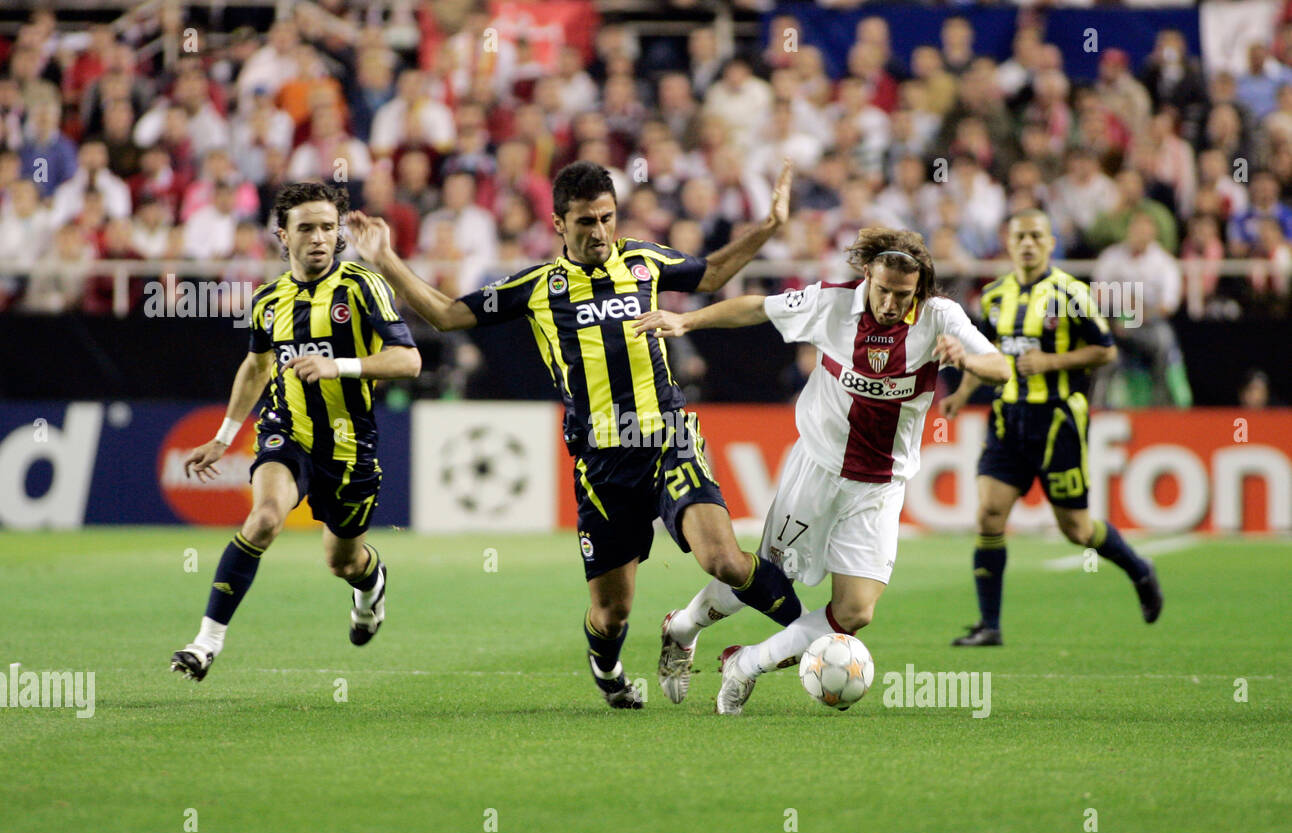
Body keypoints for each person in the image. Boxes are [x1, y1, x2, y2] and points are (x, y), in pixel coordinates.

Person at [346, 160, 804, 709]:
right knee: (612, 613)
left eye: (607, 218)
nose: (600, 232)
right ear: (559, 224)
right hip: (602, 463)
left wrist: (770, 226)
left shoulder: (644, 259)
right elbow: (446, 315)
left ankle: (810, 631)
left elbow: (710, 276)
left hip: (668, 438)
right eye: (586, 221)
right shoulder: (537, 286)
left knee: (724, 559)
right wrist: (385, 259)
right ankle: (608, 669)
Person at [634, 227, 1011, 714]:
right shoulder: (832, 304)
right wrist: (687, 322)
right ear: (867, 276)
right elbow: (756, 307)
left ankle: (745, 664)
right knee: (766, 580)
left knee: (855, 612)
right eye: (883, 290)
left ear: (918, 287)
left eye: (903, 294)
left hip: (879, 485)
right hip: (817, 468)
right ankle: (683, 626)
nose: (892, 303)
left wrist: (970, 359)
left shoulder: (941, 317)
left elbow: (1002, 365)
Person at [170, 182, 422, 681]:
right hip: (287, 431)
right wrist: (224, 435)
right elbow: (256, 366)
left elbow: (409, 360)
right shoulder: (268, 300)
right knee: (264, 519)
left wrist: (339, 366)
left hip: (350, 445)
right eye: (306, 228)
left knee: (343, 562)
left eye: (328, 227)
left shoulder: (362, 287)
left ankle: (371, 589)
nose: (319, 238)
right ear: (282, 236)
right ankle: (205, 643)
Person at [940, 209, 1163, 647]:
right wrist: (963, 393)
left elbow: (1106, 351)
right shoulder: (993, 297)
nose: (1027, 243)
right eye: (1020, 235)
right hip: (1008, 419)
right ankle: (990, 625)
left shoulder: (1070, 293)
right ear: (1008, 242)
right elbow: (988, 356)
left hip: (1057, 420)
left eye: (1036, 236)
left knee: (1076, 530)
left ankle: (1139, 569)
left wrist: (1051, 362)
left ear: (1050, 243)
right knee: (988, 514)